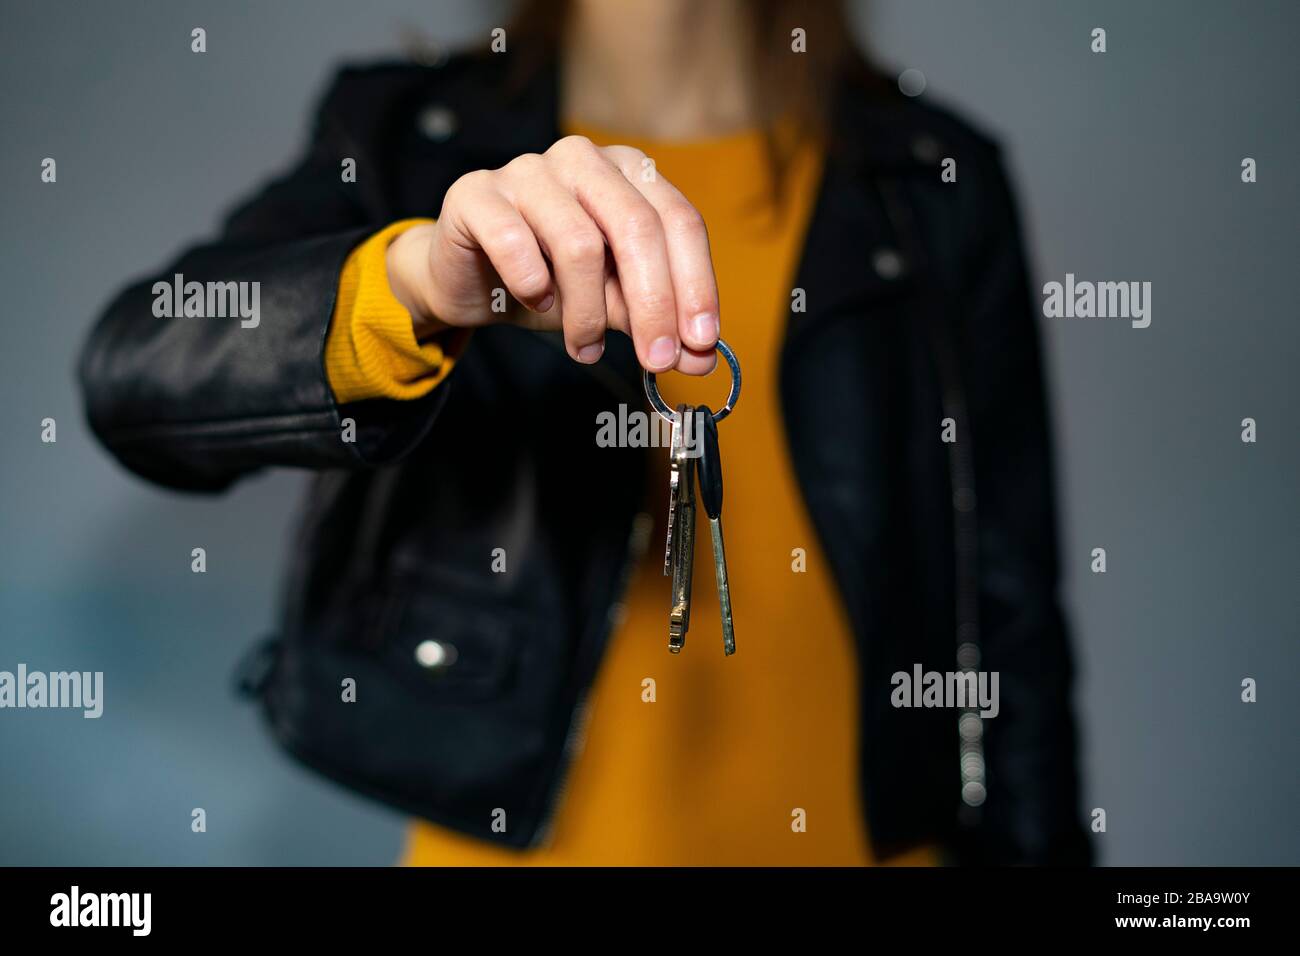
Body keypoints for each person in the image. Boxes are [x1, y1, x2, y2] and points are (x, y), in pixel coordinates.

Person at [78, 0, 1090, 865]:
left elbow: (1007, 608)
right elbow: (137, 370)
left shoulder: (934, 178)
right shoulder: (410, 129)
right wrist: (417, 280)